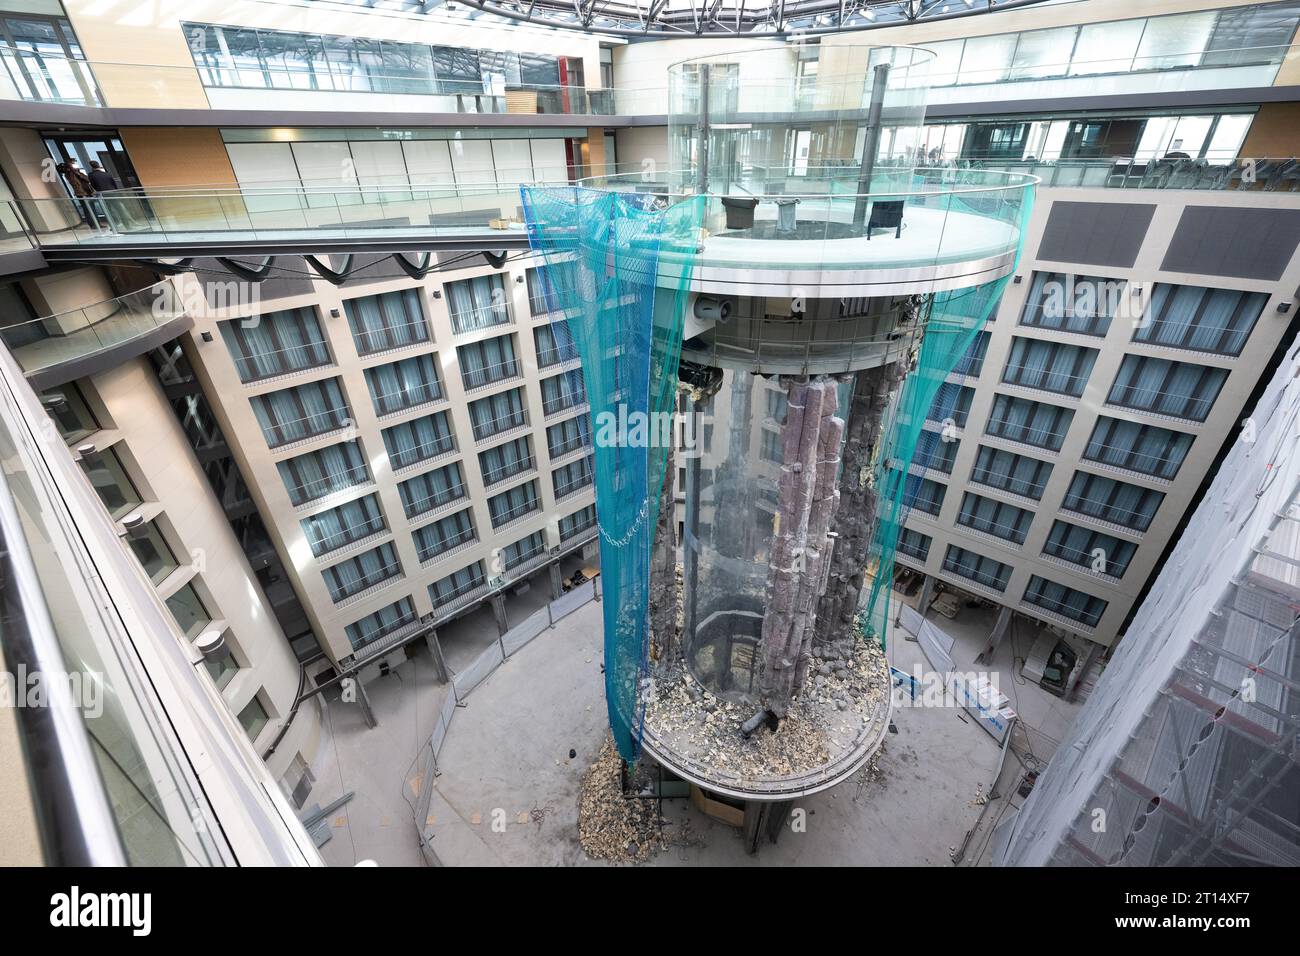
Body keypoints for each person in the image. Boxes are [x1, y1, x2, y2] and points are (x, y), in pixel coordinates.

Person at [57, 160, 97, 226]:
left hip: (87, 192)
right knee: (87, 209)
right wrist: (73, 170)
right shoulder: (69, 175)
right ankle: (93, 224)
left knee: (92, 208)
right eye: (72, 165)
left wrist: (76, 172)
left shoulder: (78, 173)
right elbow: (74, 182)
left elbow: (87, 179)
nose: (75, 166)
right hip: (81, 194)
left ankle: (97, 223)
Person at [87, 161, 119, 229]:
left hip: (103, 194)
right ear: (99, 165)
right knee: (118, 208)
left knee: (108, 210)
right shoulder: (107, 174)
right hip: (112, 193)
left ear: (92, 167)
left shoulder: (91, 175)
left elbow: (93, 185)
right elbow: (114, 184)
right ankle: (126, 223)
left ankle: (114, 225)